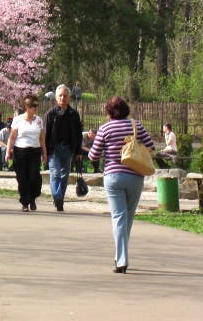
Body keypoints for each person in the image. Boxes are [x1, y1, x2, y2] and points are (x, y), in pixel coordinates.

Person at [88, 96, 155, 273]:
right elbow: (151, 147)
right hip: (135, 176)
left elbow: (93, 155)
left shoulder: (105, 128)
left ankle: (121, 260)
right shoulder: (136, 126)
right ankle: (120, 255)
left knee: (118, 217)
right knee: (128, 217)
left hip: (113, 176)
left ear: (109, 111)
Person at [44, 84, 83, 211]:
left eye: (65, 96)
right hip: (53, 149)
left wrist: (78, 151)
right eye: (60, 96)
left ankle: (60, 197)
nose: (62, 98)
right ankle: (57, 197)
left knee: (65, 175)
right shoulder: (50, 114)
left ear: (69, 97)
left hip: (68, 148)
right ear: (56, 97)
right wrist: (44, 152)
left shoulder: (74, 114)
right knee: (55, 174)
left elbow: (78, 134)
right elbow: (45, 134)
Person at [5, 94, 47, 212]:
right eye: (33, 106)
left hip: (34, 151)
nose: (36, 108)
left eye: (37, 106)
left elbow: (42, 138)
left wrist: (44, 153)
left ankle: (33, 198)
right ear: (27, 107)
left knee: (34, 177)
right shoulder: (18, 120)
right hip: (20, 152)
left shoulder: (38, 120)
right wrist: (8, 152)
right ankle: (25, 202)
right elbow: (12, 138)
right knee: (22, 179)